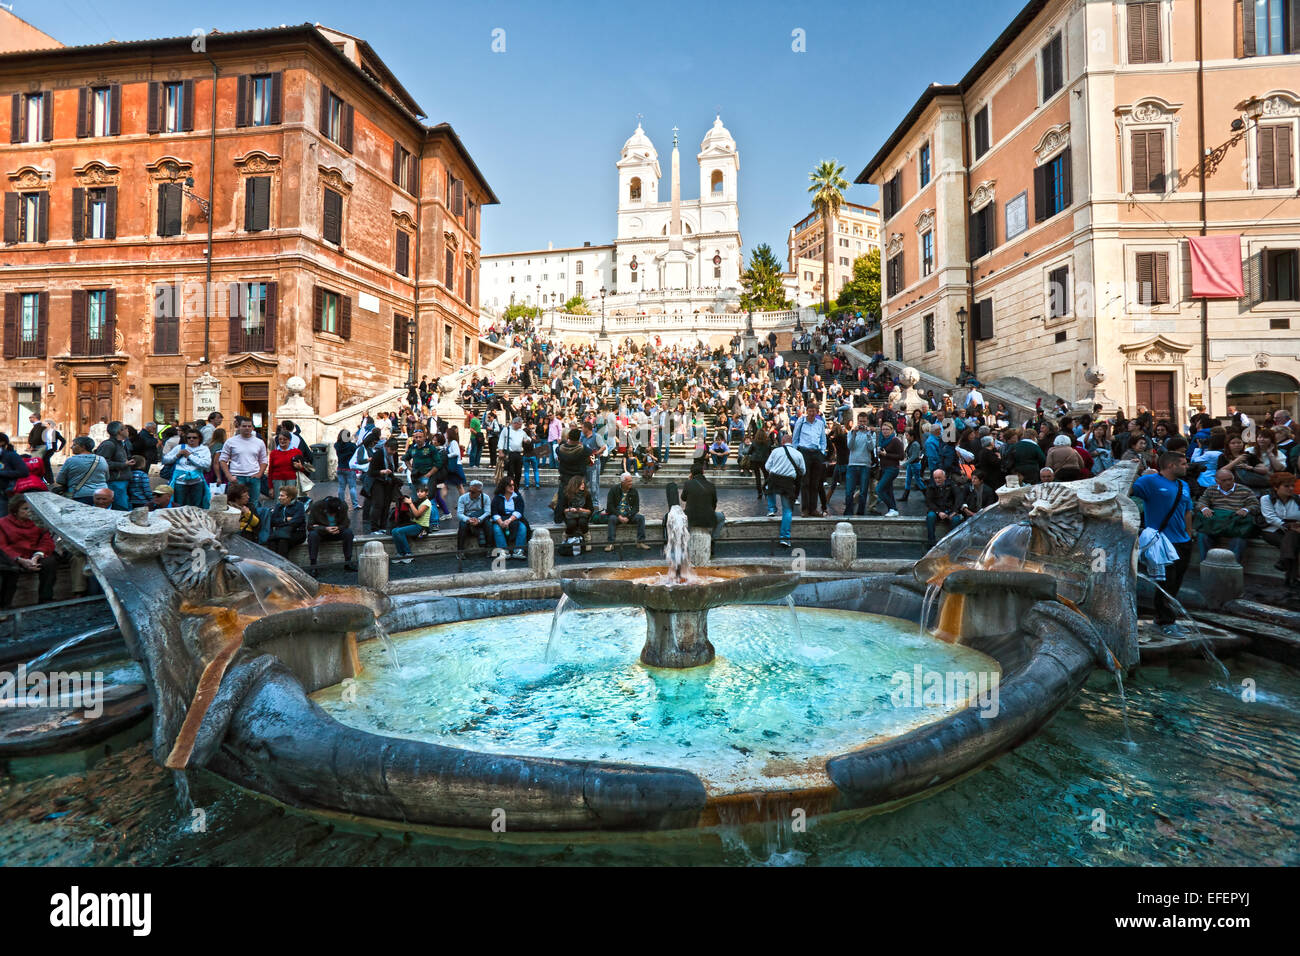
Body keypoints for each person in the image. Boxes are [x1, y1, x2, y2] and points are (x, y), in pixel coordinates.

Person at [1131, 452, 1195, 636]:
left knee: (1176, 583)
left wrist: (1188, 536)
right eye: (1182, 464)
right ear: (1170, 466)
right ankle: (1164, 621)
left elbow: (1187, 511)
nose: (1186, 467)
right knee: (1166, 582)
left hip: (1182, 541)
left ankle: (1168, 619)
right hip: (1161, 542)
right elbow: (1127, 490)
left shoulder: (1183, 485)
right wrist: (1133, 470)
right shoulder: (1150, 482)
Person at [0, 494, 58, 608]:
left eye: (31, 509)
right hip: (12, 557)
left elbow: (46, 540)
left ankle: (45, 599)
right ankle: (4, 605)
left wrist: (36, 556)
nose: (29, 511)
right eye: (25, 509)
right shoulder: (2, 523)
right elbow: (2, 546)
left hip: (32, 556)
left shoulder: (39, 523)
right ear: (15, 510)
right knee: (10, 569)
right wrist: (20, 559)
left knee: (50, 562)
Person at [1195, 467, 1259, 561]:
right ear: (1217, 481)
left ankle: (1234, 566)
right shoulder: (1211, 489)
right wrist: (1204, 508)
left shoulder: (1245, 490)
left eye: (1230, 479)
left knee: (1240, 539)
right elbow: (1201, 502)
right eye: (1224, 480)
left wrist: (1246, 509)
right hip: (1216, 522)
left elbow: (1255, 505)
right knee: (1202, 536)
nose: (1228, 482)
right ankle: (1205, 563)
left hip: (1235, 523)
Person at [764, 432, 804, 548]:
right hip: (788, 483)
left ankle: (772, 508)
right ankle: (785, 538)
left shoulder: (775, 451)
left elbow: (767, 466)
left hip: (774, 479)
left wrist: (775, 469)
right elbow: (803, 470)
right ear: (792, 443)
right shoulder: (798, 454)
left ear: (782, 442)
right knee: (787, 511)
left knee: (768, 488)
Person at [1260, 472, 1300, 587]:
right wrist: (1288, 525)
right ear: (1276, 487)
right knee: (1292, 543)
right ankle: (1292, 579)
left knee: (1292, 537)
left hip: (1295, 530)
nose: (1291, 488)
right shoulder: (1266, 499)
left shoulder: (1298, 499)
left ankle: (1284, 562)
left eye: (1292, 485)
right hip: (1272, 530)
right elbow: (1270, 518)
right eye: (1287, 486)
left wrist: (1295, 526)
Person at [219, 417, 269, 504]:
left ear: (253, 428)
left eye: (249, 426)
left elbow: (264, 460)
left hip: (254, 477)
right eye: (244, 426)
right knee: (234, 503)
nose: (247, 428)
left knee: (254, 503)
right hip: (237, 477)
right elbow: (223, 460)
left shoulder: (259, 442)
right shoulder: (230, 441)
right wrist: (229, 476)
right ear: (239, 427)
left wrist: (260, 474)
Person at [792, 403, 827, 517]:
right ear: (807, 411)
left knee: (815, 483)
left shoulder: (820, 423)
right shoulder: (800, 422)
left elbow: (823, 439)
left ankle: (813, 508)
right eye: (810, 411)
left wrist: (821, 452)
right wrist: (797, 452)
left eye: (814, 411)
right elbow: (795, 438)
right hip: (804, 452)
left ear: (817, 412)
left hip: (816, 453)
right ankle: (805, 509)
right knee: (805, 482)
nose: (812, 413)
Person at [307, 496, 356, 576]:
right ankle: (313, 566)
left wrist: (338, 528)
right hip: (322, 533)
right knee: (312, 535)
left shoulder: (343, 506)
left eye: (334, 513)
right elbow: (310, 526)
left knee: (348, 533)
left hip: (337, 532)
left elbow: (346, 523)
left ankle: (348, 562)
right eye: (331, 513)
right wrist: (325, 529)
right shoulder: (316, 506)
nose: (333, 515)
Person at [163, 428, 213, 508]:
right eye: (188, 438)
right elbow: (165, 460)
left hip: (197, 482)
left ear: (199, 438)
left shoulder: (204, 449)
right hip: (180, 482)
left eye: (194, 437)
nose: (191, 439)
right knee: (179, 506)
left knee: (197, 507)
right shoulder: (179, 447)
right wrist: (177, 455)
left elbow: (206, 464)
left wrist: (189, 456)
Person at [51, 436, 109, 505]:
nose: (71, 447)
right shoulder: (101, 459)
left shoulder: (71, 460)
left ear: (83, 447)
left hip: (80, 495)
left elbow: (60, 480)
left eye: (74, 445)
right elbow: (107, 477)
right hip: (102, 495)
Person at [603, 472, 650, 551]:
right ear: (623, 482)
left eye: (631, 481)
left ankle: (640, 542)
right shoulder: (613, 490)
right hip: (617, 515)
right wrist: (619, 516)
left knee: (641, 518)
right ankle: (611, 543)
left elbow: (636, 508)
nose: (631, 483)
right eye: (629, 481)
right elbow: (610, 506)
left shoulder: (634, 491)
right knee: (611, 519)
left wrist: (628, 516)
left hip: (629, 515)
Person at [92, 422, 133, 511]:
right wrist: (124, 464)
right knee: (120, 508)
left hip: (122, 481)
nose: (127, 430)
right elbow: (102, 463)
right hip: (115, 482)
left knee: (124, 506)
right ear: (119, 431)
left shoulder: (122, 444)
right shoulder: (109, 444)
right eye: (125, 428)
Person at [391, 484, 434, 564]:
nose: (419, 493)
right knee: (394, 531)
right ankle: (400, 554)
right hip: (415, 524)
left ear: (426, 493)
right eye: (418, 492)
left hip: (422, 527)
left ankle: (409, 554)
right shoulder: (419, 501)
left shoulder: (426, 503)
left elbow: (417, 514)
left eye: (422, 492)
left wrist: (410, 504)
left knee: (399, 531)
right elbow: (413, 515)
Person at [681, 462, 725, 542]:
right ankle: (713, 539)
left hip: (690, 518)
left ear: (691, 473)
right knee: (721, 517)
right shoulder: (711, 485)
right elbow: (714, 503)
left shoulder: (688, 483)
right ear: (703, 472)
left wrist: (690, 481)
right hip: (708, 517)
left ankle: (684, 540)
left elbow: (683, 498)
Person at [843, 412, 876, 516]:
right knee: (849, 491)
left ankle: (861, 512)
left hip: (865, 465)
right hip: (852, 464)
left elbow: (871, 448)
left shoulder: (871, 433)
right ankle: (848, 512)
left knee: (863, 492)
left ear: (867, 422)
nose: (862, 423)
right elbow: (850, 447)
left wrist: (868, 434)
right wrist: (853, 434)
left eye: (864, 421)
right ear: (857, 422)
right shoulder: (851, 432)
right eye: (860, 421)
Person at [490, 477, 530, 559]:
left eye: (513, 485)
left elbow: (519, 511)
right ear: (504, 486)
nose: (512, 487)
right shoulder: (497, 498)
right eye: (509, 485)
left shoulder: (517, 497)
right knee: (496, 528)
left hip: (514, 518)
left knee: (522, 527)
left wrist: (509, 520)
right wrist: (501, 522)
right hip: (500, 518)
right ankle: (504, 551)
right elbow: (494, 512)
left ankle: (519, 550)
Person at [924, 469, 963, 546]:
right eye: (935, 478)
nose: (937, 480)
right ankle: (931, 542)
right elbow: (929, 502)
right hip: (937, 510)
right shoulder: (931, 486)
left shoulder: (952, 484)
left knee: (956, 520)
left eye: (939, 478)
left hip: (950, 510)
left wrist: (954, 511)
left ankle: (952, 543)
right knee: (930, 516)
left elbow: (959, 498)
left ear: (944, 477)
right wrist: (938, 512)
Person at [265, 486, 307, 558]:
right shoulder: (278, 506)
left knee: (283, 541)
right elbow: (273, 521)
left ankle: (283, 566)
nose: (279, 497)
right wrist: (285, 520)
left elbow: (296, 522)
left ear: (289, 497)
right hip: (281, 532)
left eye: (282, 496)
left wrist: (281, 522)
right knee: (272, 541)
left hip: (296, 533)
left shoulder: (299, 505)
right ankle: (273, 565)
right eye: (279, 495)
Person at [875, 420, 905, 517]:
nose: (885, 431)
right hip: (884, 468)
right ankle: (893, 510)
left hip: (892, 469)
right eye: (883, 429)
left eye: (887, 429)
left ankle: (892, 507)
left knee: (879, 489)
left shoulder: (895, 440)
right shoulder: (882, 441)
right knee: (888, 490)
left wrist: (886, 454)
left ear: (892, 430)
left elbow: (901, 456)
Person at [558, 475, 594, 555]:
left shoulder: (586, 494)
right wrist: (571, 509)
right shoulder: (567, 494)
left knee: (582, 522)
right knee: (572, 523)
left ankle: (588, 540)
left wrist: (582, 510)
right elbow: (562, 509)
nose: (583, 485)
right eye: (581, 484)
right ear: (575, 485)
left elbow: (590, 510)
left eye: (583, 483)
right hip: (570, 515)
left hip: (583, 514)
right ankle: (565, 536)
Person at [456, 479, 491, 555]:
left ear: (480, 492)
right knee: (462, 525)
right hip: (468, 518)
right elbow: (459, 514)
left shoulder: (485, 498)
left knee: (489, 524)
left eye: (473, 492)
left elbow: (488, 512)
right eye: (470, 491)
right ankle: (460, 551)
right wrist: (468, 519)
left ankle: (489, 548)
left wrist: (479, 520)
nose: (471, 493)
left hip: (480, 518)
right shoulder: (463, 498)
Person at [334, 429, 361, 509]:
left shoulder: (337, 445)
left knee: (341, 487)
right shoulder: (352, 446)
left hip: (340, 468)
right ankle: (355, 504)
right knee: (352, 487)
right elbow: (357, 452)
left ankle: (341, 504)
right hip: (349, 469)